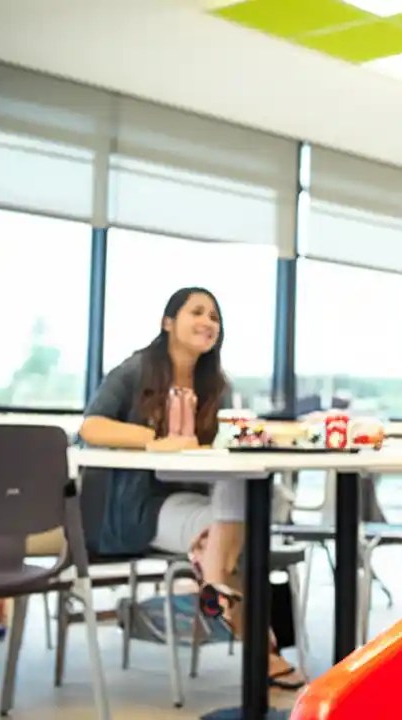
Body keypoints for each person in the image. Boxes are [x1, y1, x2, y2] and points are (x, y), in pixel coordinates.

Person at [79, 287, 305, 689]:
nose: (208, 322)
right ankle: (260, 649)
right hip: (137, 510)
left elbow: (226, 445)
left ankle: (214, 575)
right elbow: (91, 427)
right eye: (197, 312)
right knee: (240, 531)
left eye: (214, 316)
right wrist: (153, 440)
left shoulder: (216, 384)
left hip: (198, 507)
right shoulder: (136, 370)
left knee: (243, 484)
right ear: (168, 323)